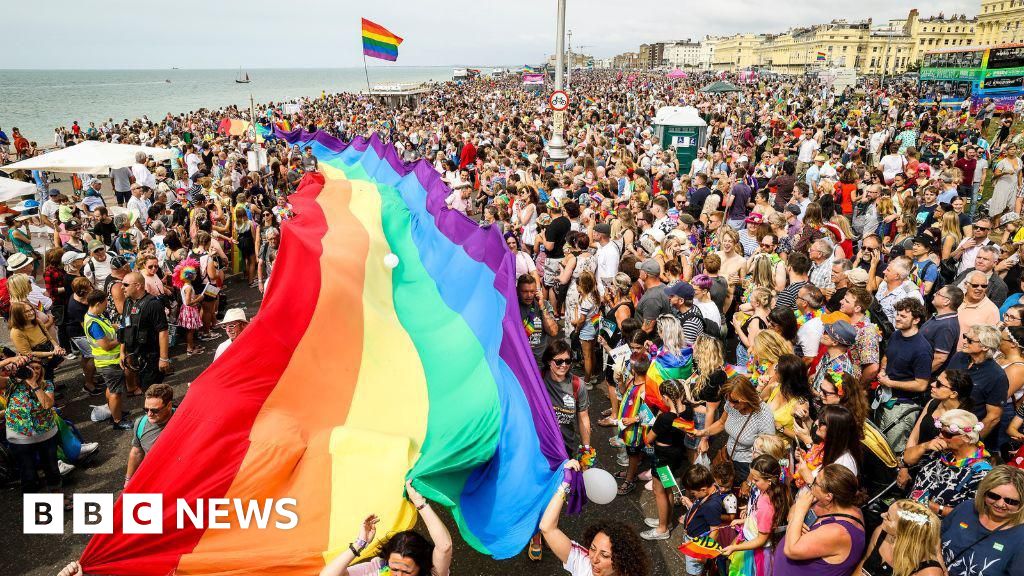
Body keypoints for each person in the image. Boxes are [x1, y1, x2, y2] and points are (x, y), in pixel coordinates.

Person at [532, 340, 593, 560]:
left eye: (568, 361)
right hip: (538, 449)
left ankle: (547, 527)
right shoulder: (537, 379)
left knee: (556, 493)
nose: (564, 365)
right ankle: (537, 535)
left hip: (565, 451)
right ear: (549, 362)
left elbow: (583, 417)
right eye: (559, 361)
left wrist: (586, 449)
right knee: (539, 492)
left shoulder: (577, 385)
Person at [539, 460, 650, 576]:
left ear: (622, 560)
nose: (594, 559)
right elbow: (547, 527)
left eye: (605, 555)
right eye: (592, 548)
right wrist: (565, 484)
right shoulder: (583, 563)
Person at [319, 480, 452, 576]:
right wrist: (359, 544)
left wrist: (420, 503)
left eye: (406, 571)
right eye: (394, 568)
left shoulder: (433, 572)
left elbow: (444, 546)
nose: (398, 575)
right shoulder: (377, 569)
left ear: (420, 566)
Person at [775, 464, 866, 576]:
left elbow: (790, 550)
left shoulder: (840, 532)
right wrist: (796, 521)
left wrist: (799, 513)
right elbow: (792, 512)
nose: (811, 484)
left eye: (815, 483)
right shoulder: (827, 503)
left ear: (828, 496)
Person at [902, 409, 993, 517]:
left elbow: (972, 513)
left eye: (947, 434)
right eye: (940, 431)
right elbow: (905, 460)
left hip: (935, 527)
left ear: (967, 438)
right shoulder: (939, 449)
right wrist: (924, 446)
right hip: (907, 512)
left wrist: (930, 506)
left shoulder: (981, 473)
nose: (940, 436)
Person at [940, 465, 1024, 576]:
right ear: (984, 492)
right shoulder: (967, 507)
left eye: (1010, 501)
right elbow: (935, 540)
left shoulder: (1021, 537)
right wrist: (938, 567)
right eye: (993, 496)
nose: (1000, 504)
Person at [720, 454, 791, 576]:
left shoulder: (766, 506)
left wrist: (734, 548)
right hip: (749, 541)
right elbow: (757, 517)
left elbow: (760, 540)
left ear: (769, 481)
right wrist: (743, 521)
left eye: (756, 479)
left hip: (755, 553)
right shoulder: (769, 491)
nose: (752, 481)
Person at [697, 375, 776, 482]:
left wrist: (749, 481)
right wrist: (702, 433)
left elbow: (766, 455)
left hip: (747, 467)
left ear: (746, 397)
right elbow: (721, 423)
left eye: (734, 401)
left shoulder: (764, 415)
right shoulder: (732, 403)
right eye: (727, 400)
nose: (730, 405)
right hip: (728, 457)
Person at [3, 358, 63, 493]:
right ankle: (35, 509)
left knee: (52, 469)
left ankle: (58, 499)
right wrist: (10, 360)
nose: (34, 371)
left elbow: (47, 404)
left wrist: (34, 384)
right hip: (19, 437)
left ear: (42, 370)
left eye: (37, 368)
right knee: (28, 474)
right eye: (31, 368)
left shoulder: (46, 385)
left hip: (46, 434)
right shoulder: (11, 384)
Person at [641, 379, 690, 541]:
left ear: (666, 397)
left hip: (662, 457)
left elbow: (648, 439)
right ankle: (666, 520)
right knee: (668, 487)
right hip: (675, 455)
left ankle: (662, 528)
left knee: (659, 491)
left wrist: (644, 424)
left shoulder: (665, 418)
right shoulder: (687, 412)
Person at [946, 325, 1009, 439]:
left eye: (970, 340)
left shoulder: (996, 376)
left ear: (985, 347)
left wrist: (973, 439)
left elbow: (993, 417)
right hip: (943, 419)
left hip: (966, 431)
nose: (964, 342)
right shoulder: (959, 356)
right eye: (965, 337)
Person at [856, 499, 944, 576]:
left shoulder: (929, 572)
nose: (883, 515)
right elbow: (864, 563)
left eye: (889, 517)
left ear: (904, 531)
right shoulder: (881, 533)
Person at [83, 290, 130, 430]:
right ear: (98, 303)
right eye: (105, 303)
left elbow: (107, 330)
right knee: (116, 393)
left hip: (108, 363)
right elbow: (107, 346)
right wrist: (122, 337)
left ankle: (115, 411)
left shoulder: (95, 316)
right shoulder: (94, 324)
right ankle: (117, 420)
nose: (107, 305)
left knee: (111, 388)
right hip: (109, 363)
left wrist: (115, 327)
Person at [119, 272, 170, 391]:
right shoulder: (128, 302)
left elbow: (163, 331)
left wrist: (164, 358)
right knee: (142, 386)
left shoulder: (153, 304)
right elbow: (124, 327)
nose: (122, 287)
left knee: (151, 390)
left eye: (125, 285)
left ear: (138, 286)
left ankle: (154, 409)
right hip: (134, 356)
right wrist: (123, 352)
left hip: (150, 357)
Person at [124, 383, 174, 487]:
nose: (149, 414)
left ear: (169, 406)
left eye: (155, 410)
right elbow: (137, 452)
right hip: (157, 479)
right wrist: (128, 480)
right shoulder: (140, 423)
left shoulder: (183, 420)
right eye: (146, 409)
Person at [518, 274, 558, 364]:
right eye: (525, 291)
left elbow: (553, 332)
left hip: (540, 362)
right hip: (520, 360)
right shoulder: (513, 307)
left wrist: (542, 307)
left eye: (532, 291)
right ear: (517, 291)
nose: (529, 295)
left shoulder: (544, 305)